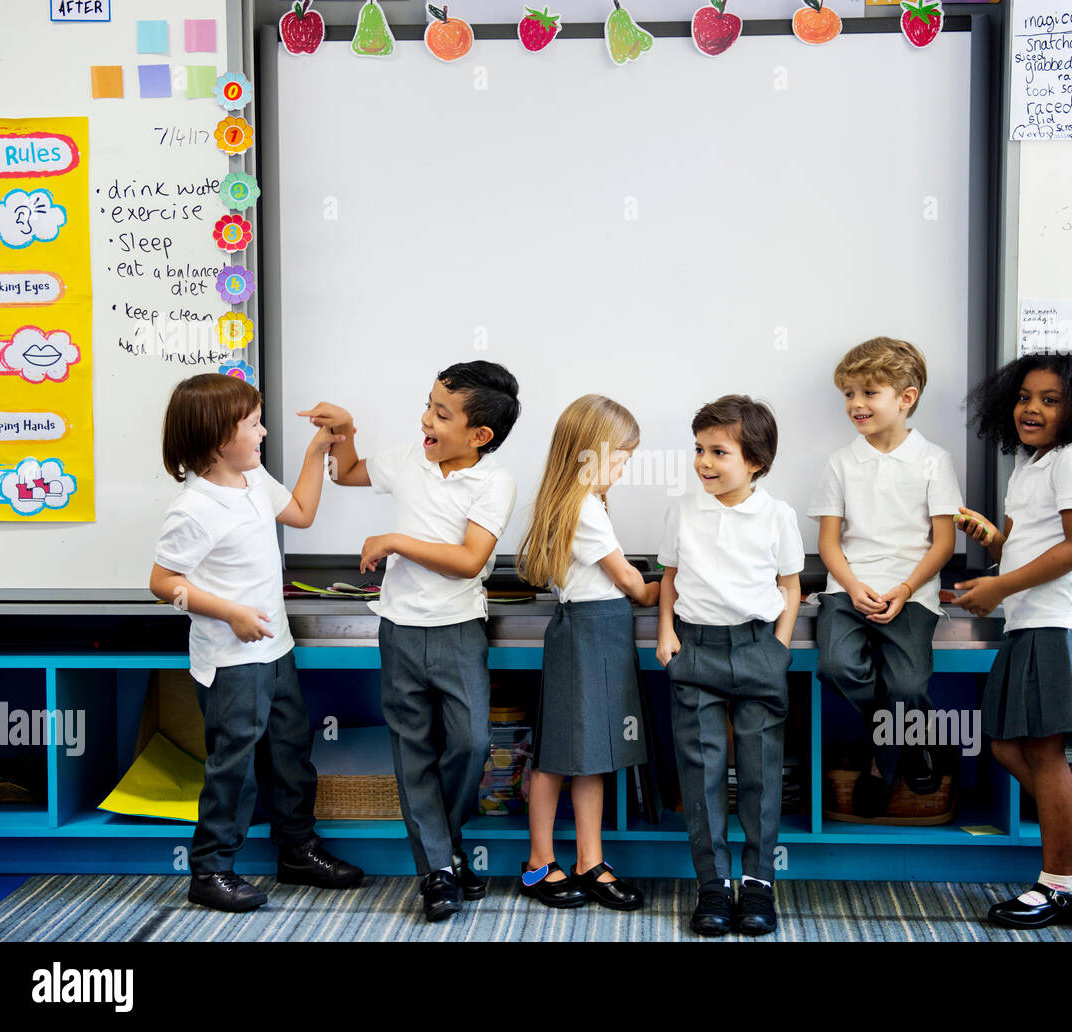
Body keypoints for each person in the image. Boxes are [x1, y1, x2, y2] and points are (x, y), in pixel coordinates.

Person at [300, 361, 520, 922]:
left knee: (470, 743)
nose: (426, 419)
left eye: (441, 414)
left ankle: (442, 847)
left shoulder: (495, 482)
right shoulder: (406, 458)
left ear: (479, 436)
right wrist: (344, 431)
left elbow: (469, 561)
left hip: (459, 630)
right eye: (427, 404)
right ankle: (438, 871)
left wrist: (395, 539)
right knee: (412, 751)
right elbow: (346, 472)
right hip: (399, 628)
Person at [150, 373, 363, 912]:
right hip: (232, 661)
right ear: (220, 439)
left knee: (291, 755)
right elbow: (163, 584)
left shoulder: (252, 480)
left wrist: (319, 450)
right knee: (236, 766)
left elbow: (301, 513)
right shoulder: (194, 507)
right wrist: (229, 612)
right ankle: (211, 870)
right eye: (253, 425)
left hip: (274, 651)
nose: (264, 432)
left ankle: (296, 850)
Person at [955, 352, 1072, 928]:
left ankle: (1056, 883)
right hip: (1029, 617)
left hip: (1058, 621)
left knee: (1042, 752)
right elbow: (1024, 546)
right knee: (1011, 748)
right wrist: (992, 540)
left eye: (1050, 399)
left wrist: (997, 587)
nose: (1031, 409)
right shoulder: (1031, 464)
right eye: (1024, 397)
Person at [657, 395, 803, 936]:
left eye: (719, 451)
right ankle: (713, 886)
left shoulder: (777, 515)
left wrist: (779, 649)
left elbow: (790, 586)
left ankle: (759, 884)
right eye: (699, 449)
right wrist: (666, 633)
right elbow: (670, 576)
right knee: (702, 770)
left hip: (757, 649)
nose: (704, 462)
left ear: (755, 461)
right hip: (694, 648)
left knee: (762, 772)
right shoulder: (681, 508)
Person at [516, 395, 659, 910]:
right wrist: (690, 578)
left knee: (589, 755)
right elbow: (636, 588)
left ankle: (587, 862)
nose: (624, 467)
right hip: (589, 633)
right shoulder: (584, 509)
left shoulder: (581, 502)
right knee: (558, 755)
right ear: (592, 453)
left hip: (599, 632)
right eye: (620, 456)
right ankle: (538, 863)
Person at [808, 338, 962, 815]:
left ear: (906, 397)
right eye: (849, 394)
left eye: (869, 393)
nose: (856, 404)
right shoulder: (840, 462)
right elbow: (829, 543)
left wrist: (905, 589)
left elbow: (944, 543)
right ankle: (906, 738)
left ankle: (884, 759)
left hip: (911, 593)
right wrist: (853, 587)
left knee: (908, 687)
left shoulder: (934, 460)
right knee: (835, 668)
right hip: (847, 589)